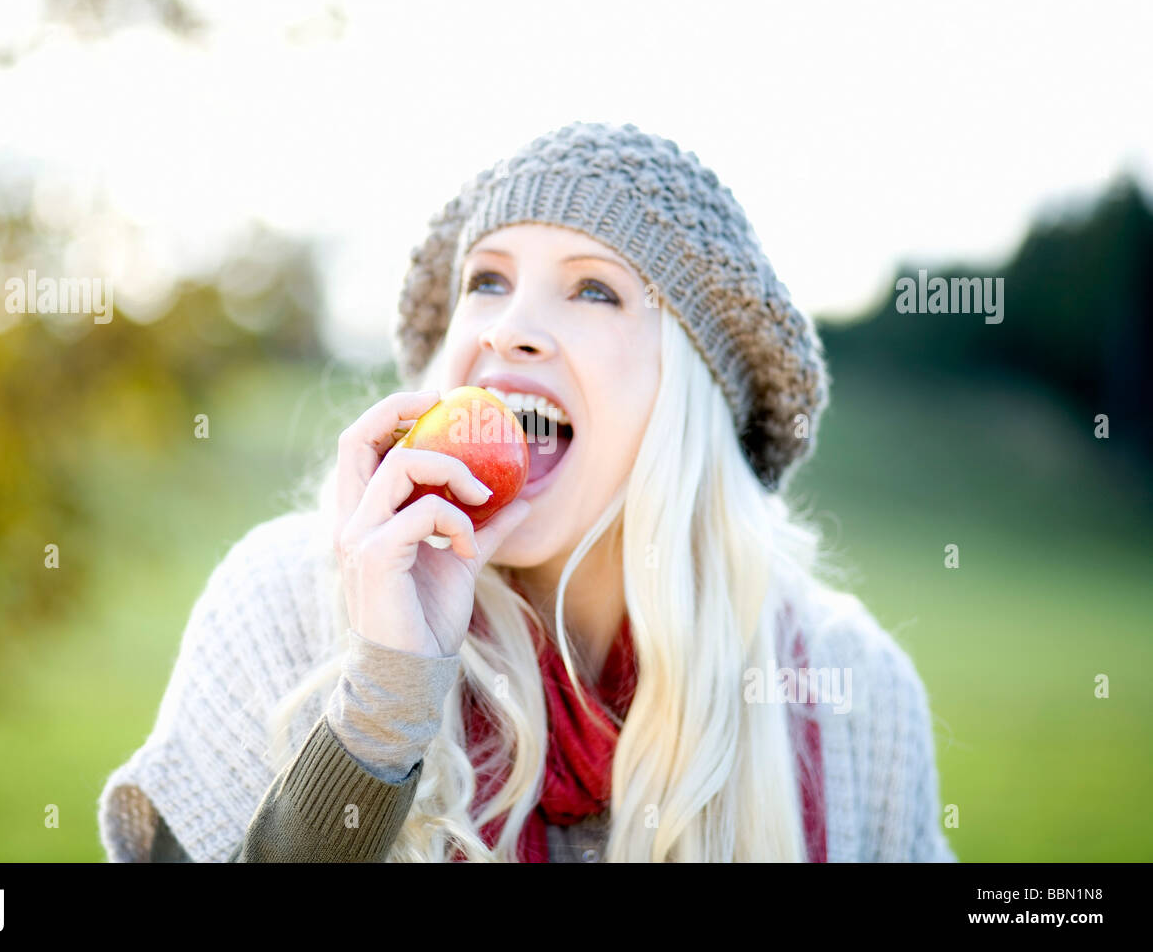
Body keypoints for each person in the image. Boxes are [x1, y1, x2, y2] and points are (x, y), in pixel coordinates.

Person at [98, 121, 957, 862]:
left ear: (693, 393)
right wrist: (385, 701)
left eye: (595, 288)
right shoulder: (288, 604)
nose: (509, 330)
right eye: (488, 282)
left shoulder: (851, 692)